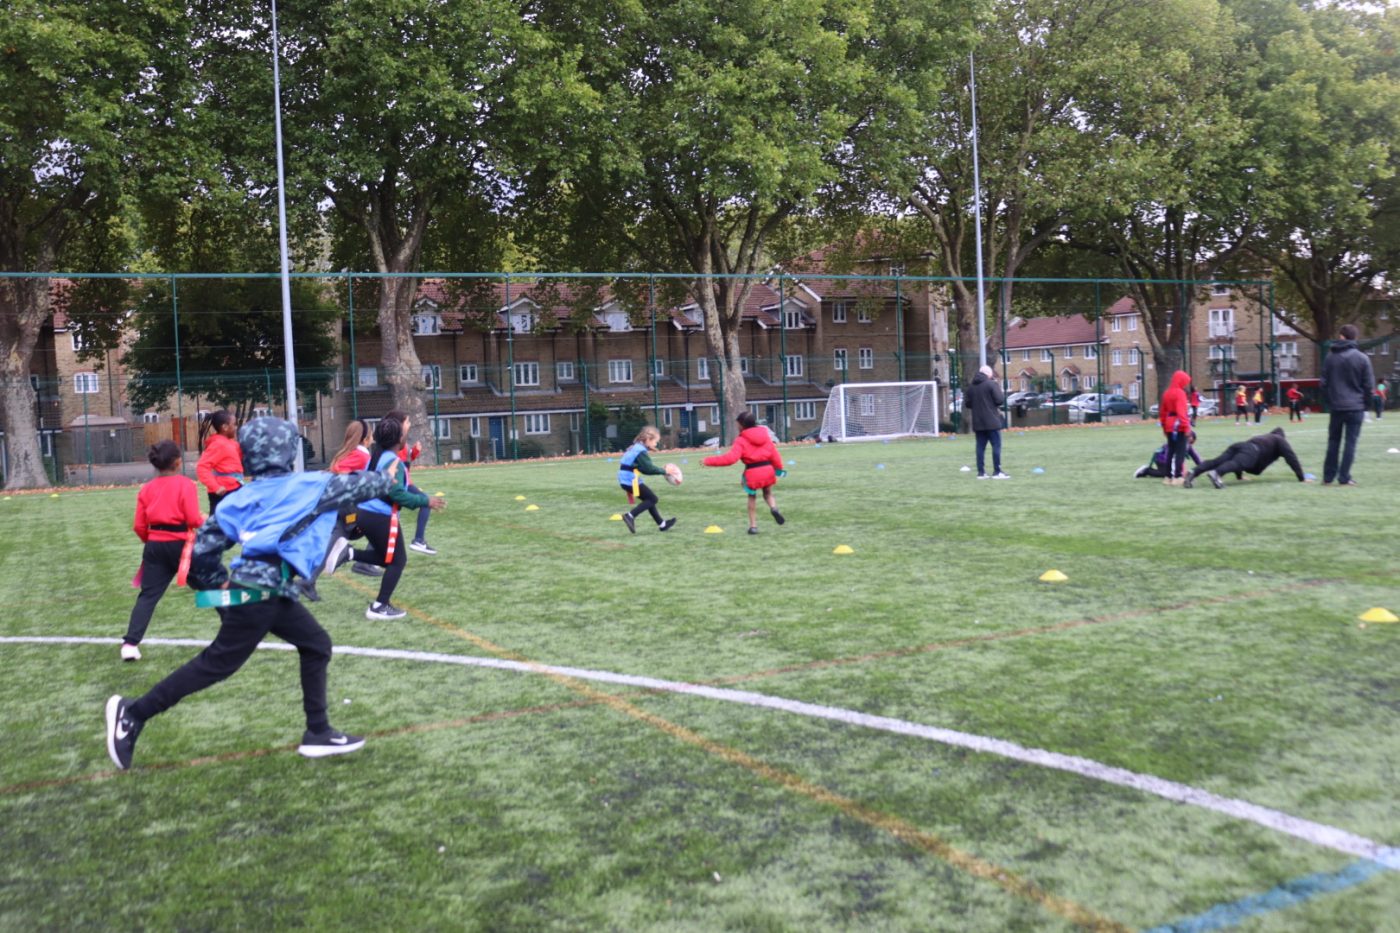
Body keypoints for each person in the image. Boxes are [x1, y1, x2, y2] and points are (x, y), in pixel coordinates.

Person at [104, 417, 407, 771]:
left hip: (262, 590)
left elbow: (201, 552)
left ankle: (318, 732)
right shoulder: (314, 485)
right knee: (217, 664)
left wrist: (221, 591)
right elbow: (369, 486)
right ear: (287, 450)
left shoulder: (238, 499)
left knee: (316, 644)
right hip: (264, 593)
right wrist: (391, 470)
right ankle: (132, 714)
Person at [335, 412, 445, 619]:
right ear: (400, 440)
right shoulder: (394, 462)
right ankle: (379, 606)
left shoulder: (377, 455)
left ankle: (350, 554)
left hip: (365, 512)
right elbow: (398, 495)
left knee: (387, 558)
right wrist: (425, 501)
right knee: (398, 561)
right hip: (380, 516)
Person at [121, 440, 203, 662]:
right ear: (178, 462)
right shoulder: (186, 485)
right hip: (181, 545)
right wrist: (204, 519)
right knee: (209, 586)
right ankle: (238, 631)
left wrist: (153, 540)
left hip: (154, 546)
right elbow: (193, 519)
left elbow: (139, 526)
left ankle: (130, 644)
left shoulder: (146, 489)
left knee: (148, 596)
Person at [703, 412, 786, 534]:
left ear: (742, 425)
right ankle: (774, 508)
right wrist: (779, 470)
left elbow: (730, 459)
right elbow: (775, 455)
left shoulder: (741, 440)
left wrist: (708, 461)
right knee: (768, 493)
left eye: (737, 424)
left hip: (752, 473)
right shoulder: (765, 436)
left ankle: (753, 526)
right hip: (768, 470)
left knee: (752, 497)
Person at [1320, 324, 1375, 486]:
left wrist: (1329, 401)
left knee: (1333, 442)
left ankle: (1328, 477)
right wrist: (1366, 406)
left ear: (1342, 336)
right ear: (1355, 338)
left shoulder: (1330, 357)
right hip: (1356, 406)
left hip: (1336, 406)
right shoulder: (1362, 358)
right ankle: (1344, 477)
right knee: (1351, 442)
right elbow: (1368, 386)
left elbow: (1323, 384)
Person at [327, 419, 382, 578]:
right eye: (371, 433)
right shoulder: (362, 455)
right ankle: (364, 563)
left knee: (338, 539)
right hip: (347, 506)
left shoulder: (348, 452)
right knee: (383, 518)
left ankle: (311, 577)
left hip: (338, 504)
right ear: (365, 438)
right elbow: (343, 474)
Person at [1184, 427, 1310, 488]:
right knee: (1236, 463)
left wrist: (1239, 476)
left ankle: (1193, 472)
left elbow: (1242, 454)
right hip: (1252, 451)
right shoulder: (1279, 440)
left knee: (1217, 461)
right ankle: (1217, 474)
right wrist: (1301, 478)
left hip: (1241, 445)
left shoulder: (1264, 437)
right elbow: (1291, 458)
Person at [617, 426, 677, 534]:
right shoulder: (640, 451)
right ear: (648, 440)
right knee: (653, 499)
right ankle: (630, 516)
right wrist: (665, 471)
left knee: (649, 500)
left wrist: (661, 470)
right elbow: (648, 469)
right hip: (629, 479)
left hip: (626, 478)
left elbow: (642, 468)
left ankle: (662, 524)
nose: (656, 444)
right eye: (655, 441)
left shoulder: (636, 447)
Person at [965, 364, 1009, 479]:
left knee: (980, 447)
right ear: (989, 374)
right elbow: (1000, 400)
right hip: (992, 421)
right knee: (996, 446)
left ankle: (981, 472)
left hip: (978, 422)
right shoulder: (991, 384)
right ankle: (997, 471)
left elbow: (968, 404)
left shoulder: (971, 387)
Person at [195, 410, 243, 513]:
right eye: (234, 425)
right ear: (225, 427)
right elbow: (202, 467)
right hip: (223, 492)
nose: (236, 428)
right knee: (219, 525)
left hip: (235, 488)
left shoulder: (231, 443)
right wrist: (215, 487)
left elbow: (241, 457)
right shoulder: (218, 445)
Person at [1158, 370, 1193, 485]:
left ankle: (1167, 477)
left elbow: (1162, 413)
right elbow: (1181, 412)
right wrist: (1186, 426)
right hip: (1179, 426)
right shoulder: (1180, 393)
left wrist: (1164, 426)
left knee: (1170, 451)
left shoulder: (1166, 393)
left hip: (1169, 424)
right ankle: (1178, 476)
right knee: (1180, 452)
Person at [1134, 431, 1201, 479]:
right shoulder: (1177, 442)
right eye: (1189, 439)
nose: (1190, 442)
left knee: (1169, 474)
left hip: (1167, 459)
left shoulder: (1188, 446)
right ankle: (1147, 470)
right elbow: (1168, 453)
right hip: (1161, 458)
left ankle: (1148, 470)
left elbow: (1196, 458)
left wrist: (1203, 467)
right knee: (1167, 474)